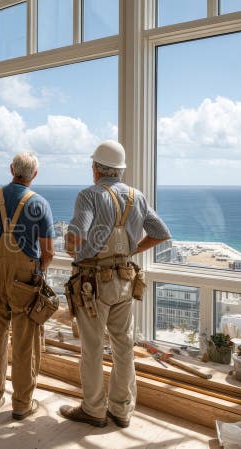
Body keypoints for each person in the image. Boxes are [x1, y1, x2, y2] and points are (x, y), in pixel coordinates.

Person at [59, 141, 171, 428]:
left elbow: (76, 235)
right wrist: (131, 251)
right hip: (124, 280)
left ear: (95, 168)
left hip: (92, 286)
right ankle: (121, 410)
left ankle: (94, 409)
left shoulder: (89, 195)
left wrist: (73, 247)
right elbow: (160, 233)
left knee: (93, 348)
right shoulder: (138, 197)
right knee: (123, 347)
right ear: (120, 170)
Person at [0, 152, 55, 420]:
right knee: (24, 342)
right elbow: (49, 252)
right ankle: (21, 404)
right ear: (35, 175)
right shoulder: (40, 204)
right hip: (25, 278)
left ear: (11, 169)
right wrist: (37, 271)